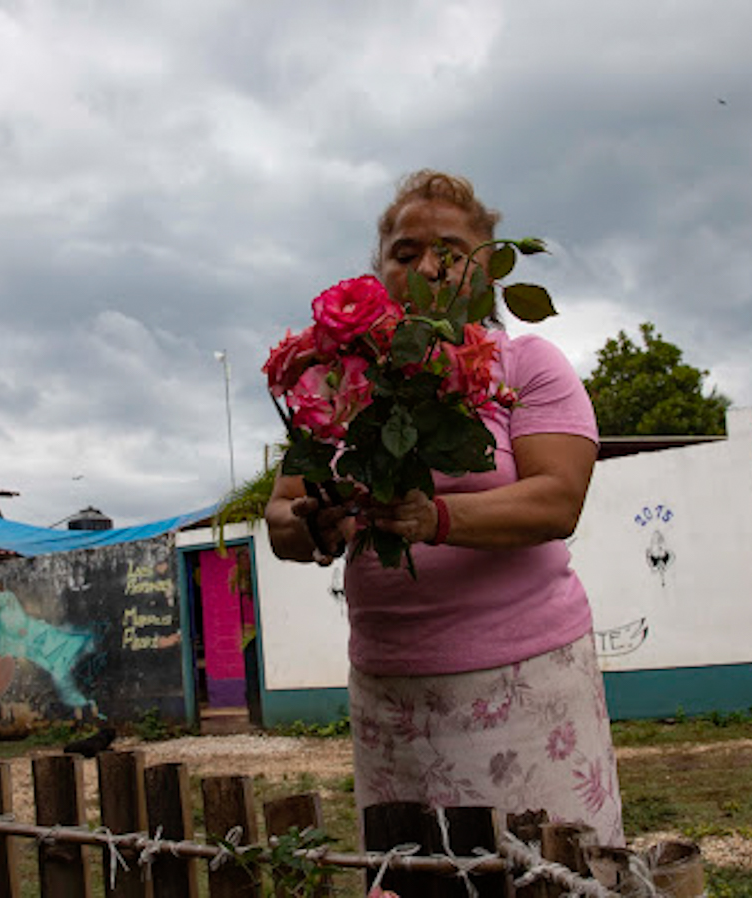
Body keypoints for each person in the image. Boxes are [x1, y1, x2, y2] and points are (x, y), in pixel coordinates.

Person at [265, 170, 624, 846]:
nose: (426, 267)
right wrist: (309, 521)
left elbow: (557, 500)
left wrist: (436, 520)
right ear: (379, 271)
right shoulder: (340, 384)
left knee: (543, 873)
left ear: (486, 270)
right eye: (405, 254)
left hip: (525, 677)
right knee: (416, 875)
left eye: (451, 252)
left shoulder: (527, 367)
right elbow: (283, 513)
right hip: (389, 687)